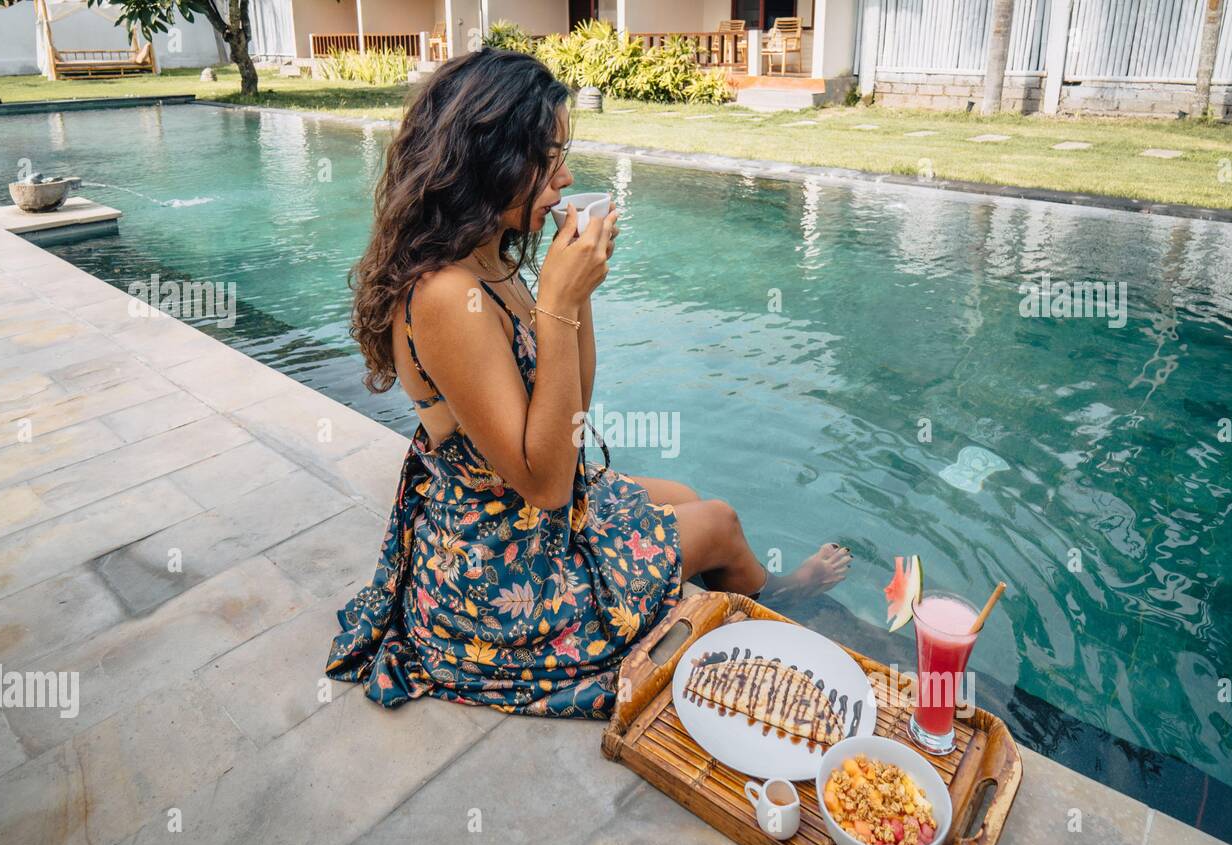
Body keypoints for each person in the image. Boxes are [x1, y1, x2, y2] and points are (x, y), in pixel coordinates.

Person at [326, 48, 850, 718]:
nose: (566, 176)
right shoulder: (445, 294)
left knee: (685, 495)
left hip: (517, 510)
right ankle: (778, 605)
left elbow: (569, 410)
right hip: (496, 568)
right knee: (718, 523)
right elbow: (545, 485)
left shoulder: (487, 259)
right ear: (493, 159)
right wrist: (558, 303)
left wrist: (577, 292)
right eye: (549, 156)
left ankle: (755, 602)